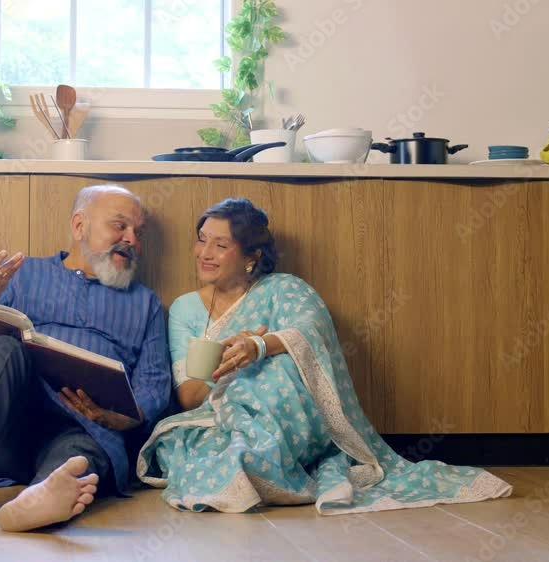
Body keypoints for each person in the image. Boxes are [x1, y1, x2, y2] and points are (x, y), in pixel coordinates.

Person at [137, 198, 512, 514]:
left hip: (289, 417)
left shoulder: (284, 289)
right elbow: (187, 397)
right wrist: (231, 361)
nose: (204, 253)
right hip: (218, 416)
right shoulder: (185, 309)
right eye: (201, 240)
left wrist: (261, 347)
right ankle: (253, 468)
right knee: (212, 416)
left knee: (280, 367)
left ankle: (255, 471)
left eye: (220, 245)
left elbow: (311, 330)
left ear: (251, 256)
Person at [0, 184, 171, 531]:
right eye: (119, 226)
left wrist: (125, 417)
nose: (132, 240)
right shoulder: (22, 275)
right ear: (80, 226)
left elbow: (154, 386)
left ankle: (35, 500)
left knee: (79, 454)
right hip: (5, 428)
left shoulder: (146, 303)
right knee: (5, 347)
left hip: (84, 428)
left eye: (138, 233)